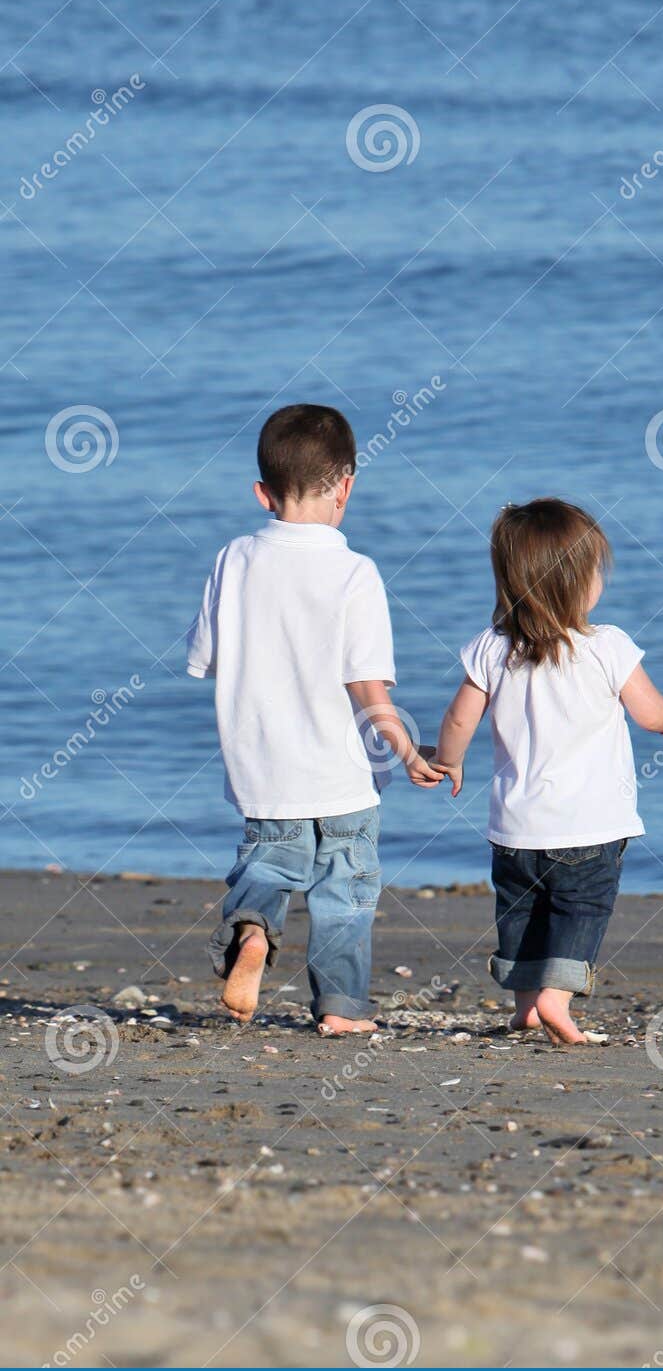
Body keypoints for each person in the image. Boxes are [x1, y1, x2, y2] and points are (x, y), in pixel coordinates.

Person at [186, 402, 440, 1035]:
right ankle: (340, 1009)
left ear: (262, 493)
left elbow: (207, 659)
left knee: (266, 869)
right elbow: (366, 684)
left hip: (265, 774)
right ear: (346, 486)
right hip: (344, 779)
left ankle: (252, 933)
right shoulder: (356, 572)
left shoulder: (233, 559)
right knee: (344, 896)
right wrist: (407, 751)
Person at [433, 498, 663, 1044]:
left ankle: (525, 1005)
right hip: (590, 827)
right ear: (578, 583)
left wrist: (448, 761)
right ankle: (556, 999)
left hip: (515, 829)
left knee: (521, 912)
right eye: (595, 571)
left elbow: (459, 719)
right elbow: (650, 713)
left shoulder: (492, 648)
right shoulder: (607, 646)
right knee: (580, 909)